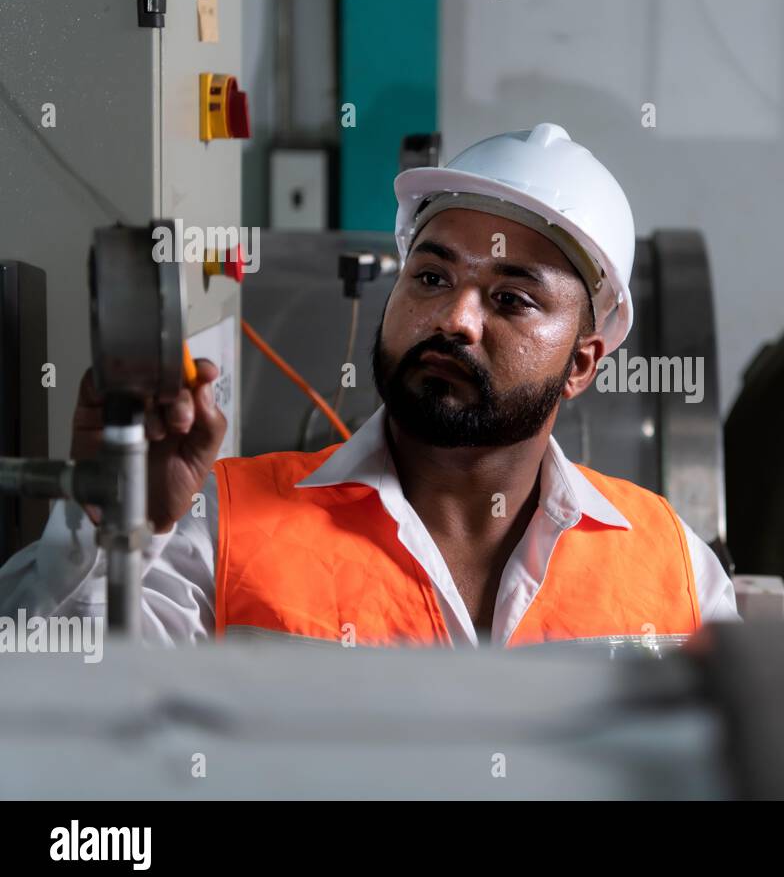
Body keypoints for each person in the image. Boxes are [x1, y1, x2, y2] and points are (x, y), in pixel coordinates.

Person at [0, 123, 739, 647]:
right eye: (431, 276)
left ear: (582, 361)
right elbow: (57, 720)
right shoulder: (223, 524)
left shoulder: (672, 567)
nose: (455, 317)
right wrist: (113, 521)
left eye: (512, 297)